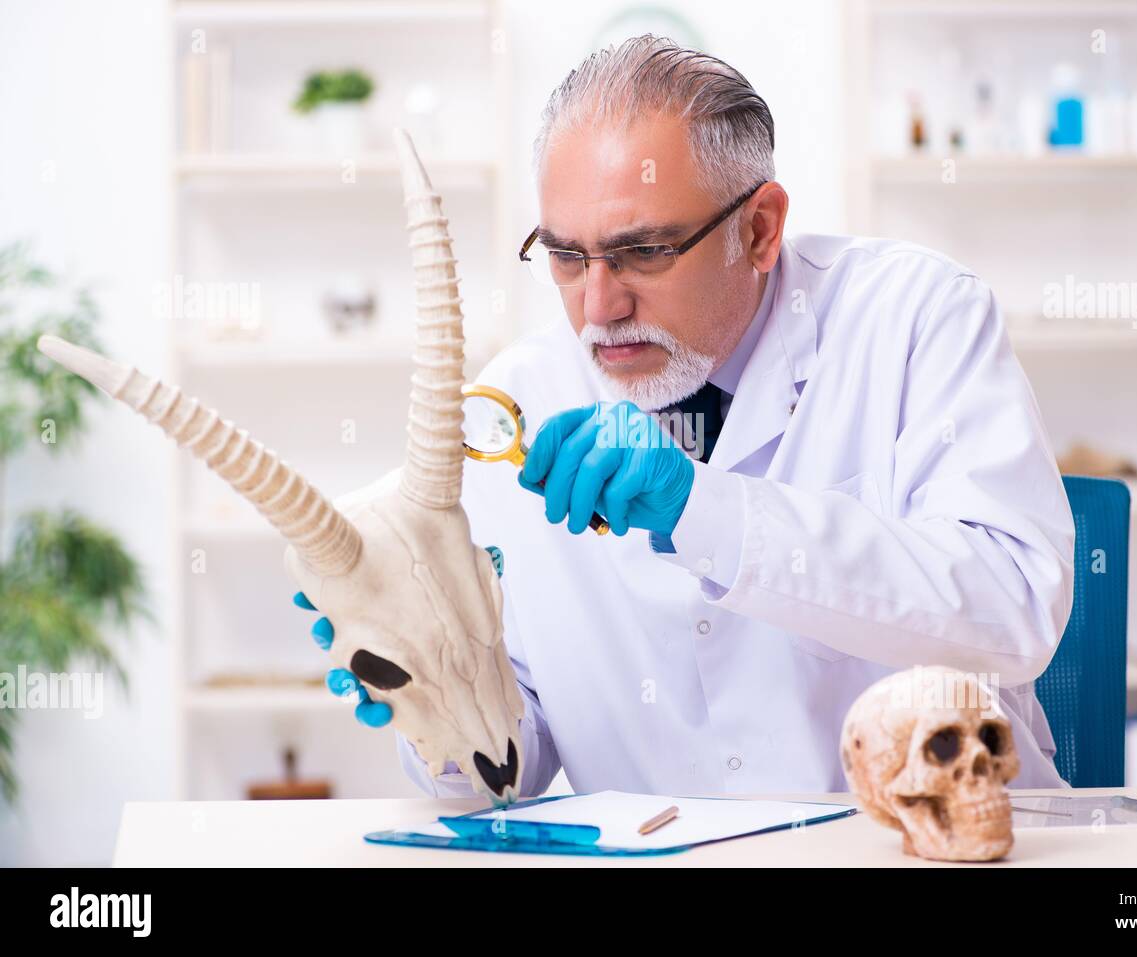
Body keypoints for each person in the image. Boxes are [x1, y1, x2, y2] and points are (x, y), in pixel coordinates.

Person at [317, 35, 1075, 795]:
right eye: (566, 256)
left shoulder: (915, 318)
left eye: (644, 250)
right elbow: (506, 770)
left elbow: (1015, 607)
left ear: (760, 230)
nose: (600, 306)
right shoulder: (520, 397)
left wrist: (704, 511)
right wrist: (432, 684)